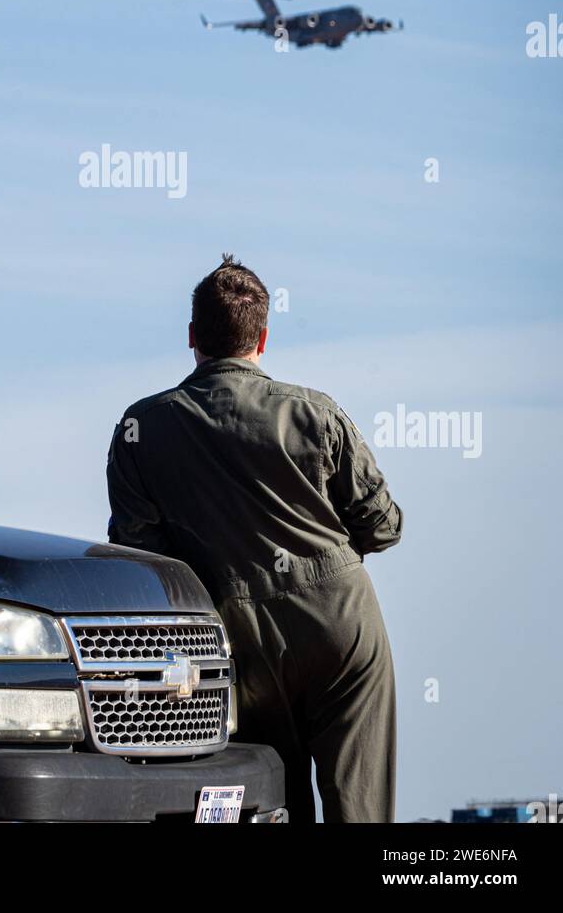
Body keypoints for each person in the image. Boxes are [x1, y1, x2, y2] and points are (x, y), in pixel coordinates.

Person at [106, 254, 403, 823]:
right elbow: (383, 526)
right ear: (262, 336)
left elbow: (141, 554)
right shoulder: (314, 412)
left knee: (268, 803)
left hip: (238, 638)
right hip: (341, 622)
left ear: (192, 335)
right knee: (361, 806)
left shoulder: (140, 429)